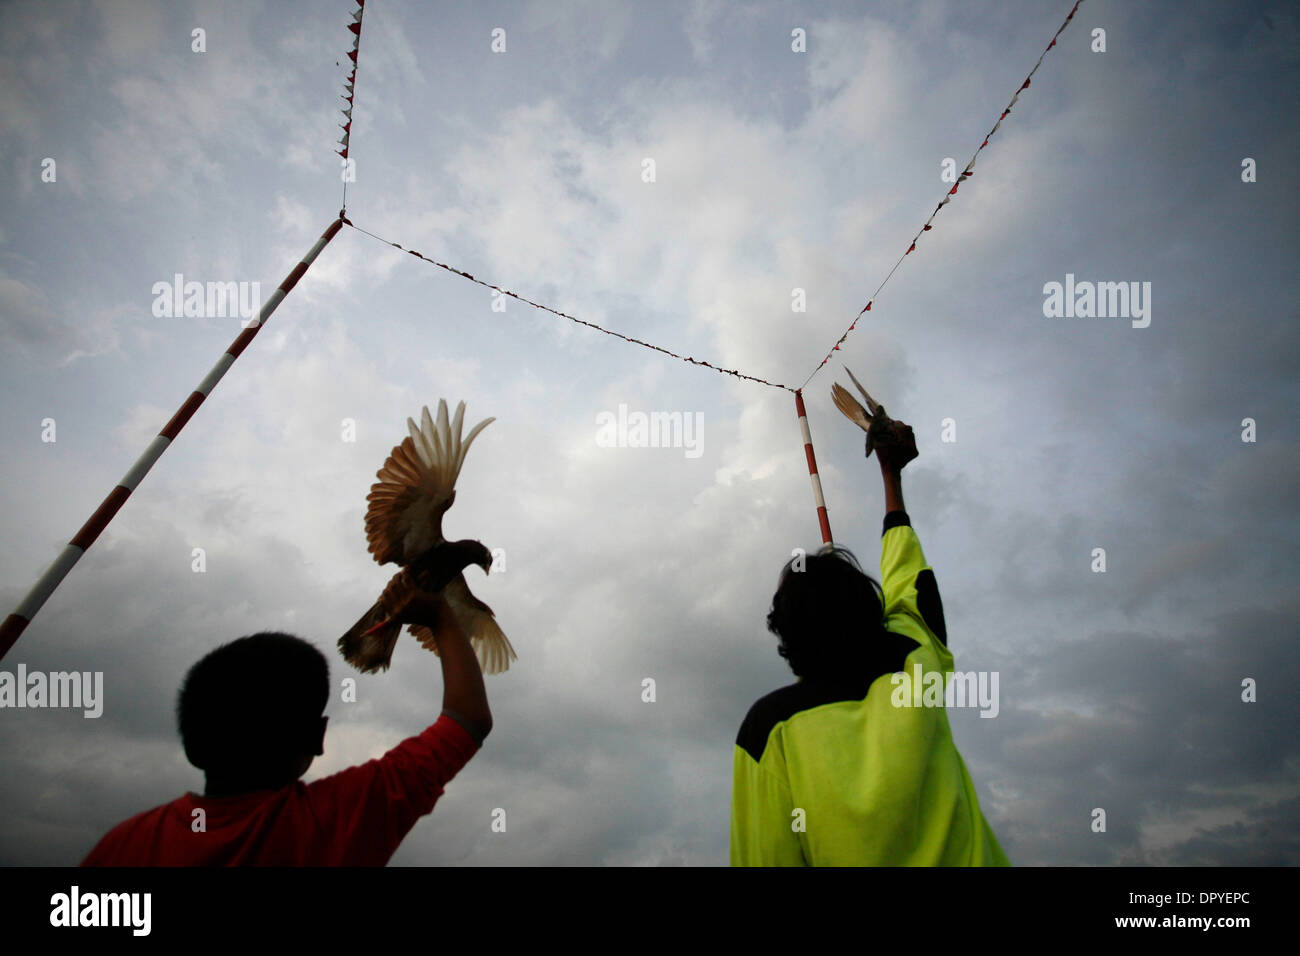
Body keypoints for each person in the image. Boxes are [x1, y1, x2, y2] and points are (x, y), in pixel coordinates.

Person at [730, 417, 1009, 865]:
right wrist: (891, 475)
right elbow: (908, 575)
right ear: (870, 609)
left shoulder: (767, 728)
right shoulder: (916, 658)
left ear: (785, 633)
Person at [81, 562, 491, 866]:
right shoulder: (337, 819)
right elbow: (467, 720)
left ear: (192, 743)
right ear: (317, 737)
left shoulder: (122, 846)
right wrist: (439, 617)